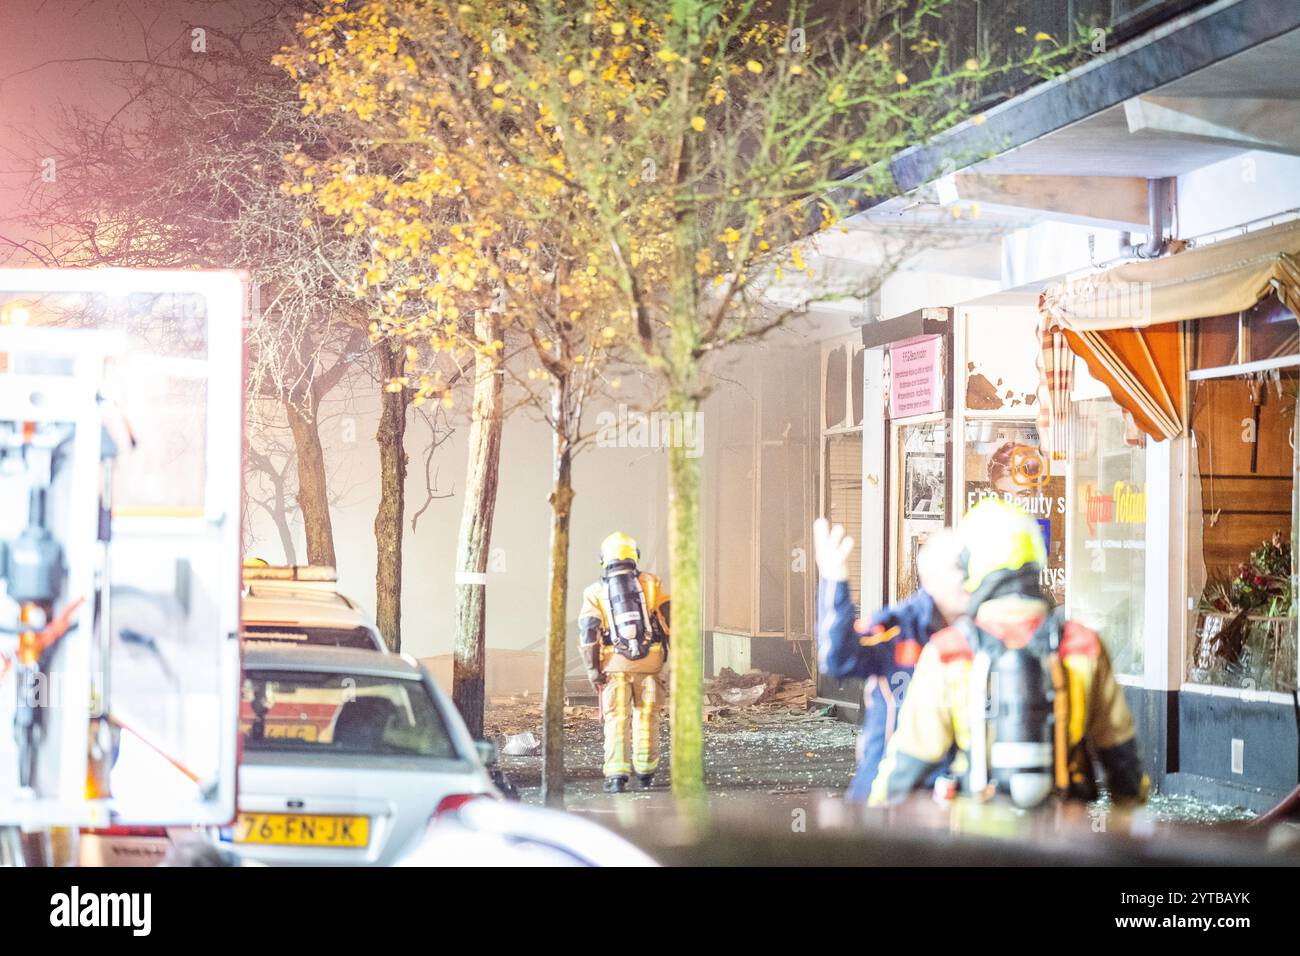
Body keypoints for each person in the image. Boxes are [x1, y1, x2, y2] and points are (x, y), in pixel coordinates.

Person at [869, 498, 1148, 808]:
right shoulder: (1084, 645)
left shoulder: (949, 651)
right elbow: (1123, 764)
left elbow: (907, 763)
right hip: (1065, 838)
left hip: (978, 839)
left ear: (971, 567)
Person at [813, 519, 969, 801]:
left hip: (954, 793)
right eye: (957, 569)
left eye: (970, 568)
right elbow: (838, 657)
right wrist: (834, 582)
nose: (965, 580)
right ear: (929, 577)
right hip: (886, 790)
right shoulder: (899, 627)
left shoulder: (983, 633)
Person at [578, 532, 671, 794]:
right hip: (651, 664)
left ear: (603, 559)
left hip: (614, 666)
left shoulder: (594, 592)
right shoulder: (651, 584)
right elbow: (670, 619)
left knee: (617, 719)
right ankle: (646, 772)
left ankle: (617, 776)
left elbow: (588, 632)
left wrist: (594, 670)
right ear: (635, 556)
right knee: (647, 716)